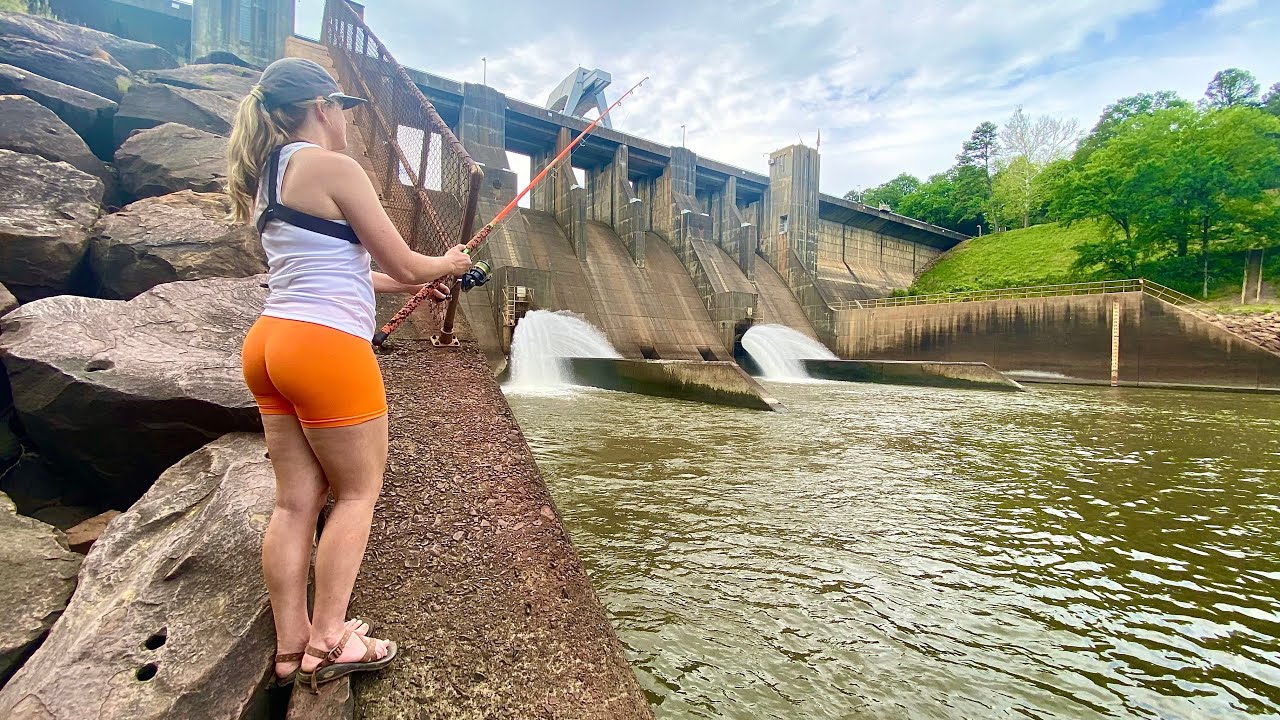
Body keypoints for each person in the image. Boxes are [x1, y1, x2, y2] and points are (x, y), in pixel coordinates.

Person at [226, 57, 471, 692]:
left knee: (293, 502)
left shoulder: (271, 178)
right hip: (326, 350)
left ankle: (291, 647)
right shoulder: (334, 167)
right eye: (341, 108)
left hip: (271, 344)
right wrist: (446, 262)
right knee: (357, 494)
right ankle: (332, 640)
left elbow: (351, 270)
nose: (345, 121)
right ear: (321, 107)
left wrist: (415, 278)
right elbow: (405, 260)